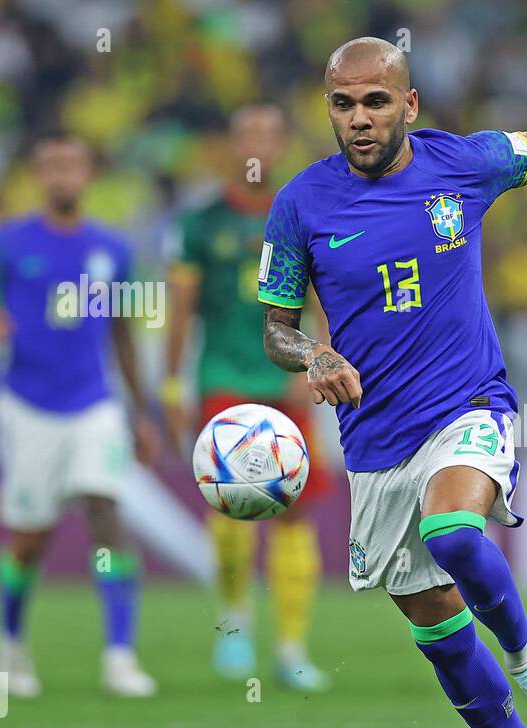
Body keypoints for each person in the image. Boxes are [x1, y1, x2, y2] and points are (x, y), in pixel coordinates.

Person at [259, 38, 527, 728]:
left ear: (410, 105)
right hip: (374, 444)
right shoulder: (300, 202)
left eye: (375, 102)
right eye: (342, 105)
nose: (359, 120)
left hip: (469, 405)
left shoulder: (465, 165)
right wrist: (315, 354)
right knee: (435, 631)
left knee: (453, 531)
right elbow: (278, 331)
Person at [0, 131, 160, 698]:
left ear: (88, 173)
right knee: (31, 537)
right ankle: (9, 645)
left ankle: (120, 654)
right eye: (51, 165)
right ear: (37, 173)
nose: (62, 176)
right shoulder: (7, 244)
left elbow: (122, 333)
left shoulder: (111, 248)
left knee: (106, 517)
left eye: (71, 165)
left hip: (92, 404)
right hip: (27, 405)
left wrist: (141, 412)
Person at [163, 104, 331, 690]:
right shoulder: (201, 222)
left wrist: (316, 363)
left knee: (296, 515)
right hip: (225, 383)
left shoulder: (302, 214)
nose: (257, 144)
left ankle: (291, 649)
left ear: (283, 142)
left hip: (286, 382)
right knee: (229, 507)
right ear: (229, 145)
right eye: (247, 134)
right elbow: (179, 309)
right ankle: (234, 621)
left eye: (268, 132)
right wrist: (170, 383)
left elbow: (322, 298)